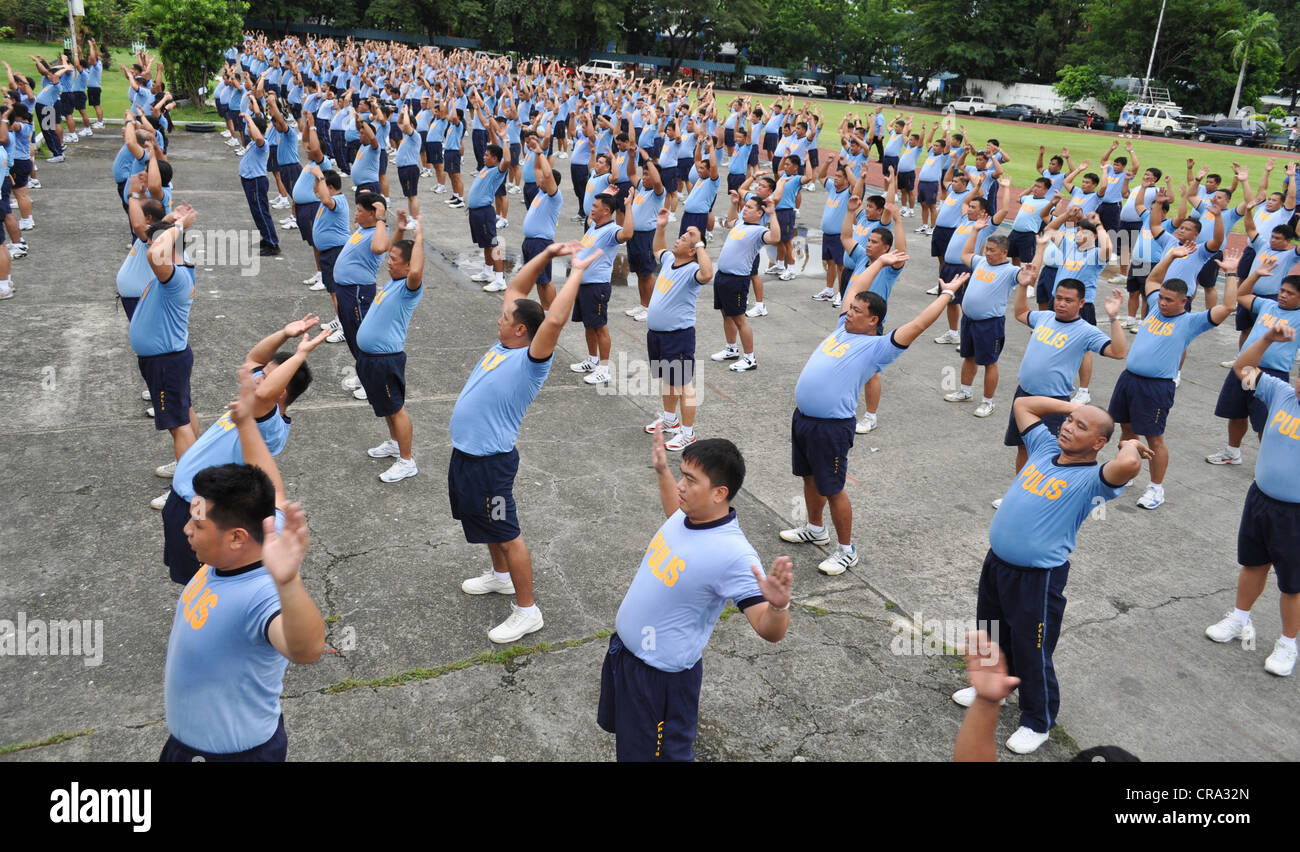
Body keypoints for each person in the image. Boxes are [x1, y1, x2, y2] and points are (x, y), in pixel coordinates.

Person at [951, 394, 1148, 754]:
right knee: (992, 632)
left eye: (1081, 427)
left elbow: (1129, 466)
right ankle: (994, 687)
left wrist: (1131, 441)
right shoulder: (1044, 447)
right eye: (1070, 422)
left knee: (1033, 648)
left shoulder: (1094, 478)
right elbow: (1023, 405)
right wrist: (1073, 408)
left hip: (1038, 578)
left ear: (1099, 443)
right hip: (998, 565)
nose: (1069, 428)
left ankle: (1038, 721)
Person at [598, 426, 794, 761]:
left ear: (720, 493)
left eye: (690, 480)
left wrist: (778, 605)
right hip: (625, 658)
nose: (680, 486)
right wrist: (662, 471)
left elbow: (769, 631)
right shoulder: (687, 515)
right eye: (681, 475)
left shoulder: (734, 555)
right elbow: (671, 516)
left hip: (659, 683)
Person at [161, 368, 325, 761]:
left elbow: (307, 649)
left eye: (197, 523)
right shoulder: (264, 525)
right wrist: (246, 421)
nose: (186, 529)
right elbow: (273, 486)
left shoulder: (260, 593)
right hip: (185, 744)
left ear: (236, 537)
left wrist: (288, 584)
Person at [781, 263, 970, 575]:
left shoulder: (877, 347)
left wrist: (947, 293)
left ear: (873, 321)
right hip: (804, 420)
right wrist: (880, 263)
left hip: (831, 428)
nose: (849, 311)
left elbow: (919, 324)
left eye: (857, 311)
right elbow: (855, 286)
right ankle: (815, 529)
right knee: (809, 477)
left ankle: (846, 551)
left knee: (833, 488)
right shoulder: (843, 328)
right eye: (851, 308)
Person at [452, 241, 593, 643]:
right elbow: (516, 288)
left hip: (491, 465)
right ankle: (500, 578)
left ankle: (527, 610)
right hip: (467, 458)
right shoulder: (503, 344)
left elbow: (554, 321)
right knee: (482, 523)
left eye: (504, 318)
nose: (499, 319)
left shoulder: (531, 361)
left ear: (520, 330)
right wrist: (548, 255)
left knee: (506, 531)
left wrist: (576, 271)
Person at [160, 316, 324, 582]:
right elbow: (252, 359)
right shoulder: (254, 404)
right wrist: (284, 333)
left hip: (197, 507)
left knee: (200, 575)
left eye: (266, 376)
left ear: (281, 391)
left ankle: (206, 618)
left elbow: (263, 394)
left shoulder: (269, 425)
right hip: (179, 500)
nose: (258, 376)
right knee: (185, 570)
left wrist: (301, 354)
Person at [1107, 242, 1237, 509]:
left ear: (1184, 301)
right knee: (1127, 429)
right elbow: (1153, 279)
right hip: (1129, 380)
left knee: (1154, 439)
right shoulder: (1155, 306)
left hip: (1156, 388)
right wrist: (1171, 256)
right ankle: (1127, 470)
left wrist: (1233, 274)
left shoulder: (1191, 322)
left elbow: (1228, 307)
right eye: (1162, 298)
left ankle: (1156, 489)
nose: (1162, 303)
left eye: (1169, 300)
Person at [1205, 324, 1300, 677]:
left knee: (1292, 583)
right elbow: (1242, 370)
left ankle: (1288, 643)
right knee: (1253, 564)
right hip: (1260, 499)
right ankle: (1240, 619)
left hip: (1295, 513)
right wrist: (1266, 340)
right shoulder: (1280, 392)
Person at [1000, 250, 1128, 501]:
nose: (1060, 303)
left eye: (1068, 300)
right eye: (1058, 298)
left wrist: (1114, 318)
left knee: (1045, 454)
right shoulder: (1045, 317)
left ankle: (1035, 499)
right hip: (1024, 395)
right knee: (1023, 447)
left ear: (1081, 303)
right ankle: (1019, 494)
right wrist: (1023, 287)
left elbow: (1118, 352)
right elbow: (1020, 313)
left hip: (1052, 401)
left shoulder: (1085, 331)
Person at [133, 205, 200, 500]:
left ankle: (185, 490)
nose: (151, 244)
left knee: (178, 423)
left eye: (157, 240)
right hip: (166, 359)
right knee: (182, 413)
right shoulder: (175, 271)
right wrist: (171, 221)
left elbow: (153, 253)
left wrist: (180, 226)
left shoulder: (174, 277)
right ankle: (192, 464)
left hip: (166, 361)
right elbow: (151, 245)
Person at [355, 212, 425, 483]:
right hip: (371, 359)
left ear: (408, 267)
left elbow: (417, 269)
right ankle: (395, 444)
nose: (388, 264)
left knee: (396, 408)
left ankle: (407, 461)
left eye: (395, 261)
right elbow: (392, 254)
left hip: (386, 360)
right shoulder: (395, 281)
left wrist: (419, 235)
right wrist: (400, 230)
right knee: (386, 407)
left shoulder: (409, 287)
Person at [1206, 266, 1300, 466]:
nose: (1282, 295)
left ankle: (1269, 463)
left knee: (1264, 422)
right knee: (1237, 411)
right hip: (1246, 369)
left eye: (1290, 293)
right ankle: (1232, 452)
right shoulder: (1267, 305)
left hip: (1270, 375)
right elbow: (1242, 295)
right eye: (1282, 290)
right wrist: (1255, 275)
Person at [943, 226, 1037, 418]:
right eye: (987, 249)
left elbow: (1024, 276)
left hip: (990, 324)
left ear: (1004, 252)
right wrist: (976, 231)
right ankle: (965, 391)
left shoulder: (1011, 271)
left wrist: (1031, 269)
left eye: (992, 250)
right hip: (969, 320)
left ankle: (988, 402)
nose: (988, 253)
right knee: (968, 357)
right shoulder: (980, 262)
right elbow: (965, 254)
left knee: (989, 363)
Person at [642, 207, 714, 449]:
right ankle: (670, 420)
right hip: (658, 335)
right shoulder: (670, 260)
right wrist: (661, 227)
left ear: (692, 250)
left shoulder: (693, 269)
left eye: (684, 239)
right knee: (668, 379)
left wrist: (700, 243)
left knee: (684, 384)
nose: (678, 239)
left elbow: (707, 273)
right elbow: (657, 250)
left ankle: (688, 432)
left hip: (678, 336)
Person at [710, 193, 780, 371]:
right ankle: (731, 349)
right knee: (726, 315)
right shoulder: (741, 223)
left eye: (749, 207)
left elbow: (775, 238)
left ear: (759, 213)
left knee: (740, 320)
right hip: (722, 277)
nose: (745, 209)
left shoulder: (759, 232)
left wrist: (772, 214)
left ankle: (750, 359)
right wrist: (734, 204)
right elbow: (729, 221)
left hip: (737, 280)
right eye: (745, 206)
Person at [568, 191, 629, 385]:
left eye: (595, 207)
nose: (591, 209)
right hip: (583, 284)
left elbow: (627, 234)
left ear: (606, 211)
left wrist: (629, 207)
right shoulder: (594, 225)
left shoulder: (612, 231)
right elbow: (589, 219)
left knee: (599, 326)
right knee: (589, 324)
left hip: (597, 286)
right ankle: (592, 360)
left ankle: (604, 368)